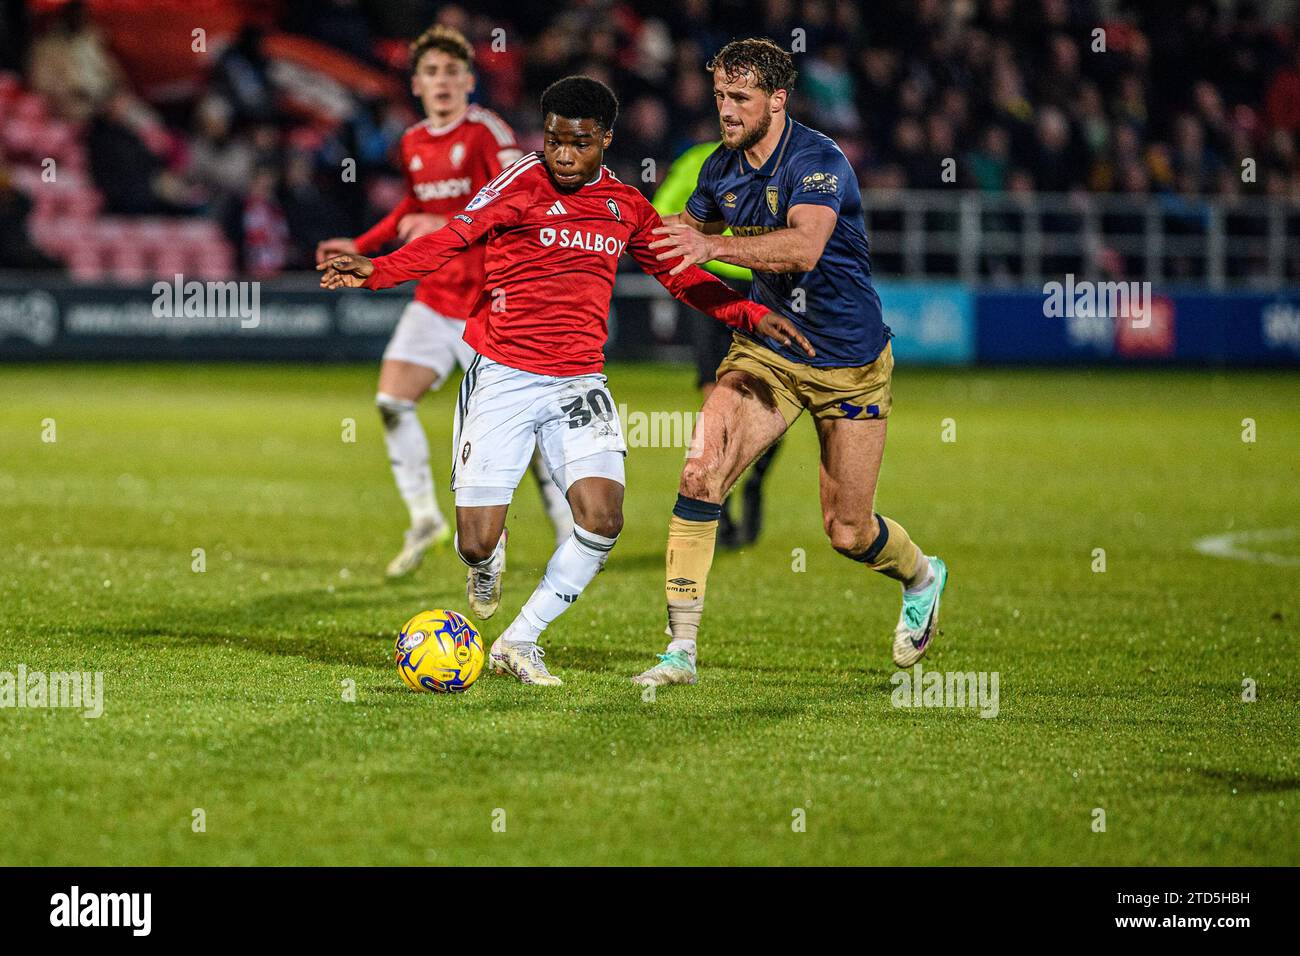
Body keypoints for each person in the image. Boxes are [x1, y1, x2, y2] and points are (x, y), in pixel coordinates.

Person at [319, 76, 811, 687]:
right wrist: (378, 270)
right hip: (502, 373)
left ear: (605, 138)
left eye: (578, 143)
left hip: (579, 381)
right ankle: (485, 561)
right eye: (552, 141)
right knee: (476, 540)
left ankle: (520, 641)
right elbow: (453, 237)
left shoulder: (625, 206)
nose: (562, 155)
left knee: (603, 519)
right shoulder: (519, 183)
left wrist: (752, 313)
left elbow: (682, 277)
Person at [631, 38, 948, 688]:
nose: (726, 109)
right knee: (700, 474)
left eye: (739, 97)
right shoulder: (719, 170)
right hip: (770, 348)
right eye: (720, 95)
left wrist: (709, 241)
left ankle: (921, 574)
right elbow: (672, 245)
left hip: (849, 360)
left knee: (847, 531)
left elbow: (804, 247)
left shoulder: (818, 159)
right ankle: (680, 653)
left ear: (777, 99)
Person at [315, 25, 571, 580]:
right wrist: (358, 246)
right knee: (390, 402)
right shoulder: (411, 142)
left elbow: (521, 203)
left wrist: (444, 223)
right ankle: (425, 519)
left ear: (469, 81)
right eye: (431, 72)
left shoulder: (487, 133)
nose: (443, 82)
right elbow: (411, 202)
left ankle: (563, 519)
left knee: (515, 435)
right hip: (434, 298)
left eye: (453, 72)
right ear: (416, 83)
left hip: (487, 305)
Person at [652, 142, 781, 548]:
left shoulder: (786, 161)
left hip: (766, 287)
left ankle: (753, 481)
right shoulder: (699, 161)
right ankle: (717, 504)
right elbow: (660, 214)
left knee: (770, 403)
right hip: (712, 289)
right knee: (717, 399)